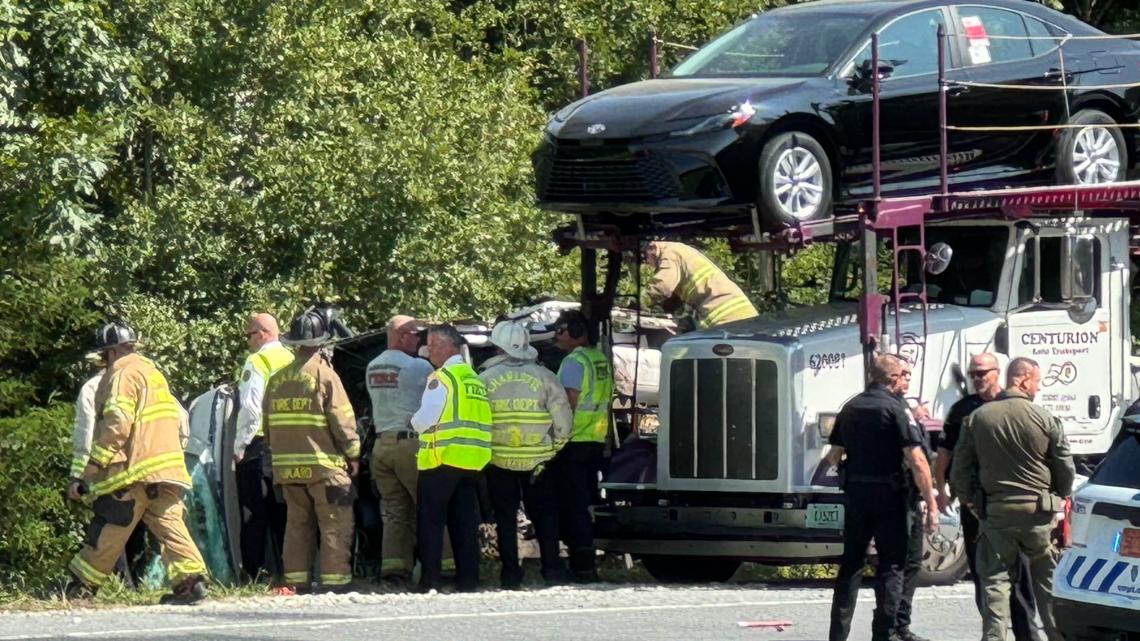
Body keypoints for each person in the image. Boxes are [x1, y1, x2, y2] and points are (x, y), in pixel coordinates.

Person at [66, 322, 208, 605]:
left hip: (134, 472)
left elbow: (117, 423)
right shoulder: (153, 374)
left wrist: (91, 469)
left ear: (114, 351)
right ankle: (190, 582)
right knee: (169, 523)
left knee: (111, 525)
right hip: (167, 469)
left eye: (104, 357)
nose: (103, 364)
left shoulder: (121, 374)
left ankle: (83, 586)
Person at [951, 357, 1074, 641]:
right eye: (1037, 381)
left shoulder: (977, 418)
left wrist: (973, 503)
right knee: (1047, 587)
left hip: (996, 513)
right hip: (1038, 514)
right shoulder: (1043, 418)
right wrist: (1057, 496)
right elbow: (1064, 466)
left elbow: (960, 470)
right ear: (1023, 379)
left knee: (994, 585)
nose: (1038, 388)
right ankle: (1056, 635)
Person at [826, 353, 938, 641]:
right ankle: (884, 634)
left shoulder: (850, 407)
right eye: (903, 374)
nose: (906, 379)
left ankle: (838, 635)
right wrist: (932, 501)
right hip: (891, 497)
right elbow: (917, 460)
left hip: (857, 495)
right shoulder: (895, 409)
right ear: (892, 378)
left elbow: (834, 456)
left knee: (851, 564)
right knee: (892, 565)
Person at [935, 354, 1040, 641]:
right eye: (973, 374)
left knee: (1020, 572)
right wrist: (941, 492)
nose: (977, 379)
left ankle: (1026, 633)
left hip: (1009, 503)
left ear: (997, 373)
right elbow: (944, 456)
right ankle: (994, 632)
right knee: (983, 572)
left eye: (982, 373)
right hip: (976, 504)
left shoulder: (1013, 405)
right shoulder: (962, 410)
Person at [263, 309, 360, 594]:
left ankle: (296, 581)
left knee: (296, 527)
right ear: (320, 343)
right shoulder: (326, 376)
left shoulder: (276, 380)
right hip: (324, 468)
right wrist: (353, 455)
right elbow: (342, 422)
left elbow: (268, 427)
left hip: (287, 470)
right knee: (334, 524)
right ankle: (335, 583)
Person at [480, 320, 573, 588]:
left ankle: (510, 575)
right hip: (539, 462)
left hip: (498, 461)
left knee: (505, 519)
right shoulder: (546, 377)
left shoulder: (482, 380)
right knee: (545, 516)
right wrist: (552, 449)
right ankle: (552, 570)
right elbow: (564, 424)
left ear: (497, 347)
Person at [365, 314, 451, 584]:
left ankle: (394, 571)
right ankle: (447, 566)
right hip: (410, 444)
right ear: (402, 336)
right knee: (430, 505)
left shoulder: (372, 366)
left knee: (395, 511)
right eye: (415, 334)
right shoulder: (418, 367)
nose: (420, 339)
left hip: (381, 446)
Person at [410, 325, 492, 592]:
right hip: (472, 463)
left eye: (433, 345)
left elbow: (426, 418)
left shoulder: (442, 378)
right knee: (465, 524)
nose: (429, 351)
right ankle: (469, 579)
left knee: (431, 522)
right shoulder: (474, 379)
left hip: (441, 461)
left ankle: (430, 580)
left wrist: (412, 422)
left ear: (449, 347)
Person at [551, 309, 613, 582]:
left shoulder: (574, 362)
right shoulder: (599, 359)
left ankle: (581, 565)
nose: (557, 335)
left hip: (573, 441)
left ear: (577, 332)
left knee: (572, 506)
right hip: (595, 440)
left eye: (562, 329)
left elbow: (568, 402)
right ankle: (587, 561)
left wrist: (554, 436)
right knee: (585, 503)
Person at [233, 313, 294, 582]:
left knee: (253, 514)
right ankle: (291, 572)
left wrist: (240, 446)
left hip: (259, 447)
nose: (248, 342)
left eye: (249, 335)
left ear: (261, 334)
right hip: (290, 446)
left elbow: (251, 407)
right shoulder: (292, 359)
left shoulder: (258, 360)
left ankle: (254, 574)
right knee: (286, 512)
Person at [643, 241, 758, 329]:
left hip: (725, 314)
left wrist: (642, 301)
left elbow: (663, 286)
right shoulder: (680, 250)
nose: (647, 263)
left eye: (644, 258)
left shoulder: (669, 254)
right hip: (739, 312)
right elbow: (678, 290)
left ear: (653, 246)